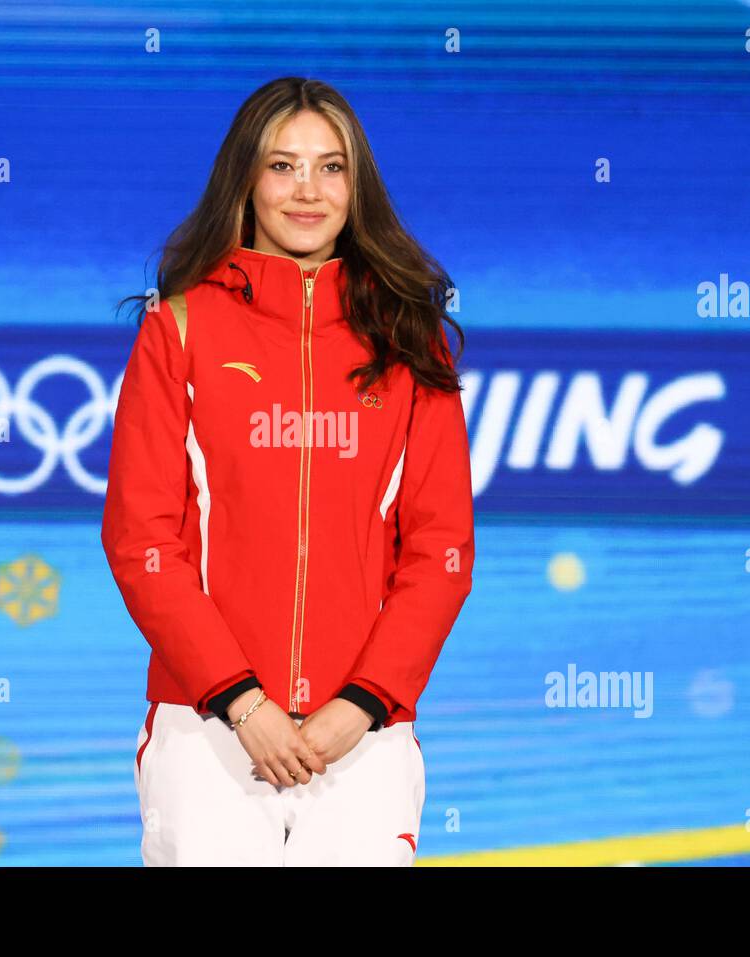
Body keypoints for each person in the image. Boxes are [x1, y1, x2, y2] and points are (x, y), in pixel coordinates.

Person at [101, 76, 474, 866]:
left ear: (356, 184)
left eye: (331, 167)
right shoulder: (179, 328)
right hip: (206, 729)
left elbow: (441, 553)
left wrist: (363, 704)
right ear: (245, 179)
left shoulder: (412, 339)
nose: (308, 190)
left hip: (364, 735)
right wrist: (241, 702)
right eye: (283, 166)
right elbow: (143, 542)